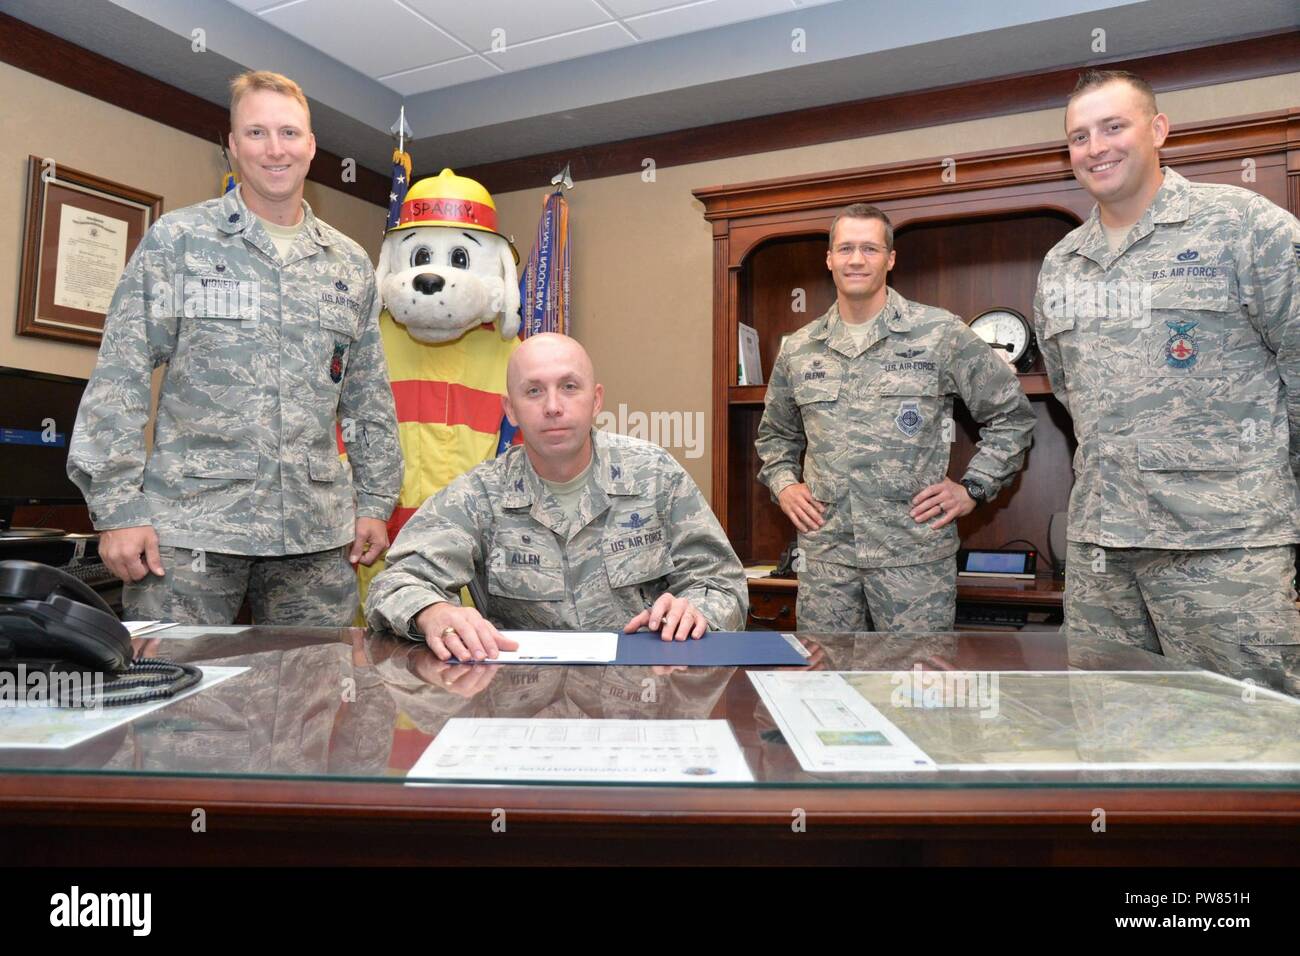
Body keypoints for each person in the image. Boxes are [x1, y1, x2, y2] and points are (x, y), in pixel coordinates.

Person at [67, 70, 401, 625]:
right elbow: (120, 373)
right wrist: (117, 508)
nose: (275, 149)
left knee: (312, 698)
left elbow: (367, 398)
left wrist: (375, 502)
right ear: (232, 146)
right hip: (192, 529)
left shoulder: (349, 264)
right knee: (176, 701)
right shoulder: (179, 242)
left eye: (290, 133)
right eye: (256, 133)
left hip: (315, 538)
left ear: (312, 146)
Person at [1033, 69, 1300, 693]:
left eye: (1113, 127)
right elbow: (1074, 392)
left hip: (1224, 543)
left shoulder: (1243, 225)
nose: (1095, 147)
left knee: (1251, 737)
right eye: (1078, 136)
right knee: (1110, 734)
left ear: (1157, 130)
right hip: (1103, 548)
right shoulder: (1062, 263)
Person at [364, 333, 748, 660]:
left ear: (596, 400)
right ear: (510, 410)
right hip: (523, 705)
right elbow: (394, 583)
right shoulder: (480, 494)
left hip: (644, 693)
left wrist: (697, 609)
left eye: (569, 387)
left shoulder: (654, 475)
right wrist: (433, 612)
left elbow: (722, 582)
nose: (552, 406)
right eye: (534, 391)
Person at [755, 203, 1035, 632]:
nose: (856, 259)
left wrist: (973, 489)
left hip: (914, 562)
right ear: (829, 258)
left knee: (915, 692)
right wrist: (785, 485)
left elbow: (1012, 417)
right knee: (827, 689)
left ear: (890, 259)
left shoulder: (939, 334)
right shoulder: (800, 348)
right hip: (827, 563)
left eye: (870, 248)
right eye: (845, 248)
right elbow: (775, 436)